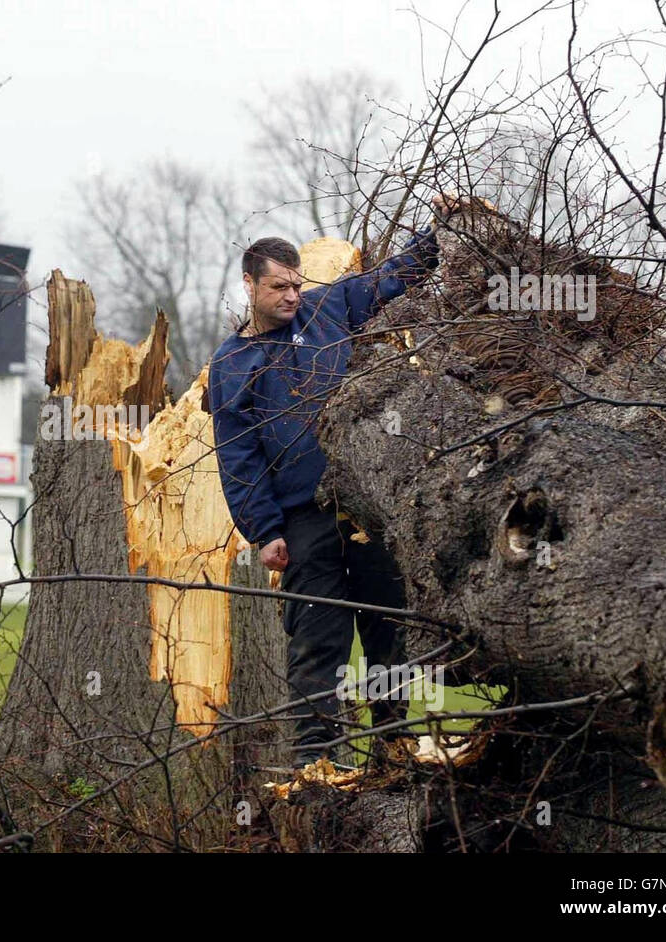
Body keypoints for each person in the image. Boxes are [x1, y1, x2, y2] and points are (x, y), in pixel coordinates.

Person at [207, 197, 459, 767]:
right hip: (301, 521)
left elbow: (390, 279)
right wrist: (263, 530)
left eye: (296, 285)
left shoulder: (328, 308)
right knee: (318, 646)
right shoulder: (233, 363)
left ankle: (392, 750)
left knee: (387, 635)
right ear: (250, 286)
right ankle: (315, 766)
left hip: (365, 508)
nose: (291, 297)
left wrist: (439, 233)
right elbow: (237, 455)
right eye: (278, 288)